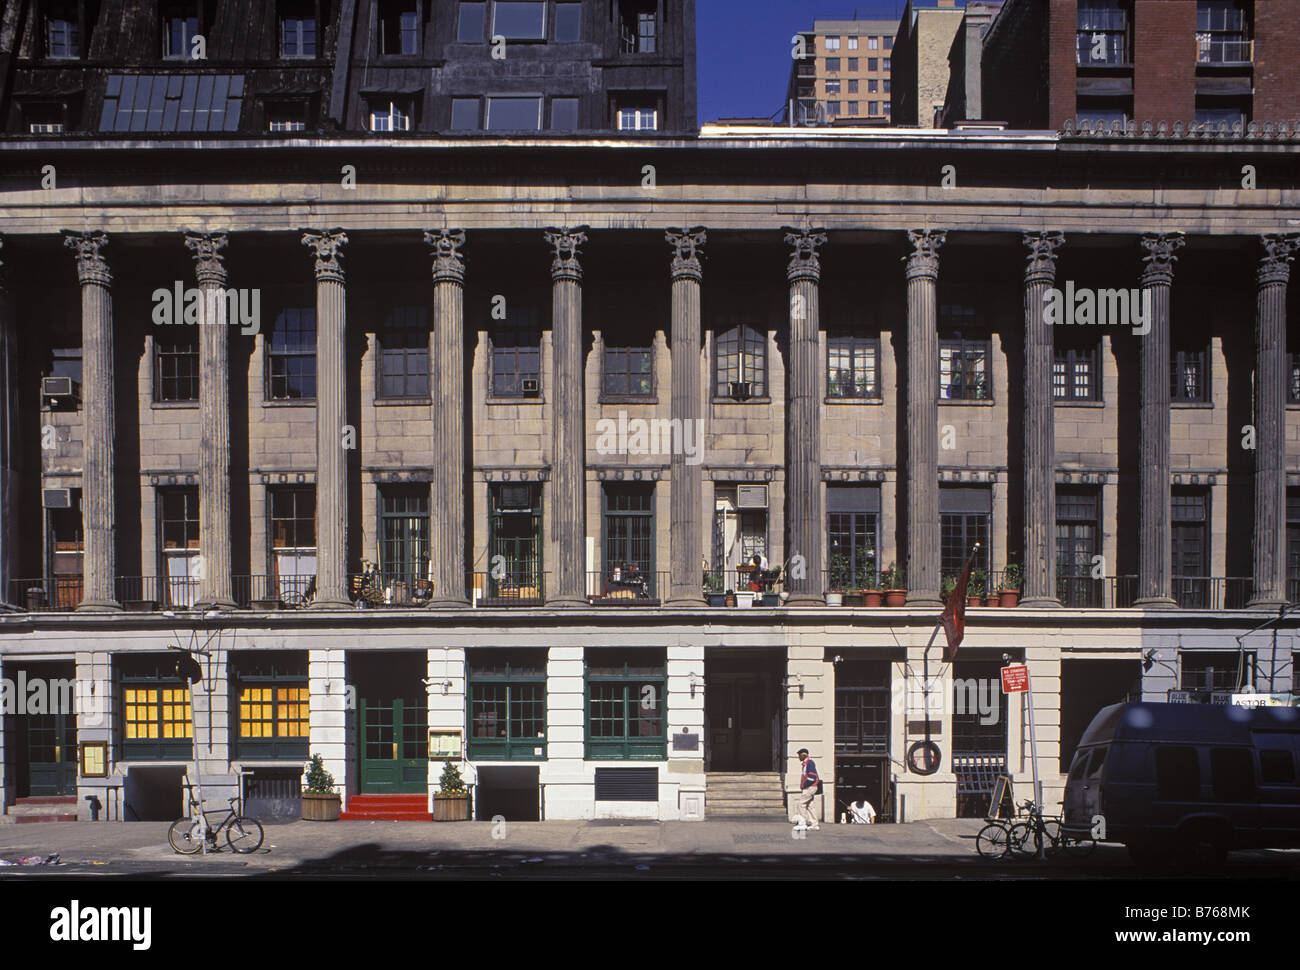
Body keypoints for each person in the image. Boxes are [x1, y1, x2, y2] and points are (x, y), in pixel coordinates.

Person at [795, 748, 821, 830]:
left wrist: (804, 785)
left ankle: (802, 823)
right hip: (811, 787)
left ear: (803, 755)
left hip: (810, 787)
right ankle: (814, 824)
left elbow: (812, 776)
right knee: (810, 806)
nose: (798, 757)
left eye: (799, 755)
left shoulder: (809, 763)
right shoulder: (806, 763)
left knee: (800, 804)